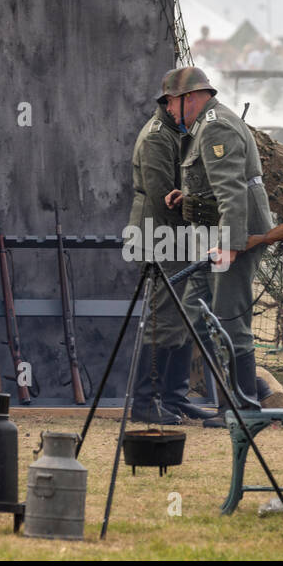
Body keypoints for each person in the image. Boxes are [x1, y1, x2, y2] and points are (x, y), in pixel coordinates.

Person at [159, 67, 273, 428]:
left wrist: (230, 244)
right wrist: (188, 196)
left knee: (229, 318)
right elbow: (213, 184)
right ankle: (224, 401)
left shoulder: (216, 126)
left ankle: (243, 408)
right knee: (198, 313)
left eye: (171, 103)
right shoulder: (205, 126)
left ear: (189, 97)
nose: (169, 111)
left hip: (229, 240)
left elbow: (232, 190)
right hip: (210, 238)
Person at [125, 89, 218, 425]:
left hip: (178, 237)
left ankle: (174, 398)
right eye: (186, 101)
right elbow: (163, 195)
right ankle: (145, 402)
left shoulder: (181, 133)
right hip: (159, 237)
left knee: (182, 319)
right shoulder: (156, 138)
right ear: (170, 102)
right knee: (162, 319)